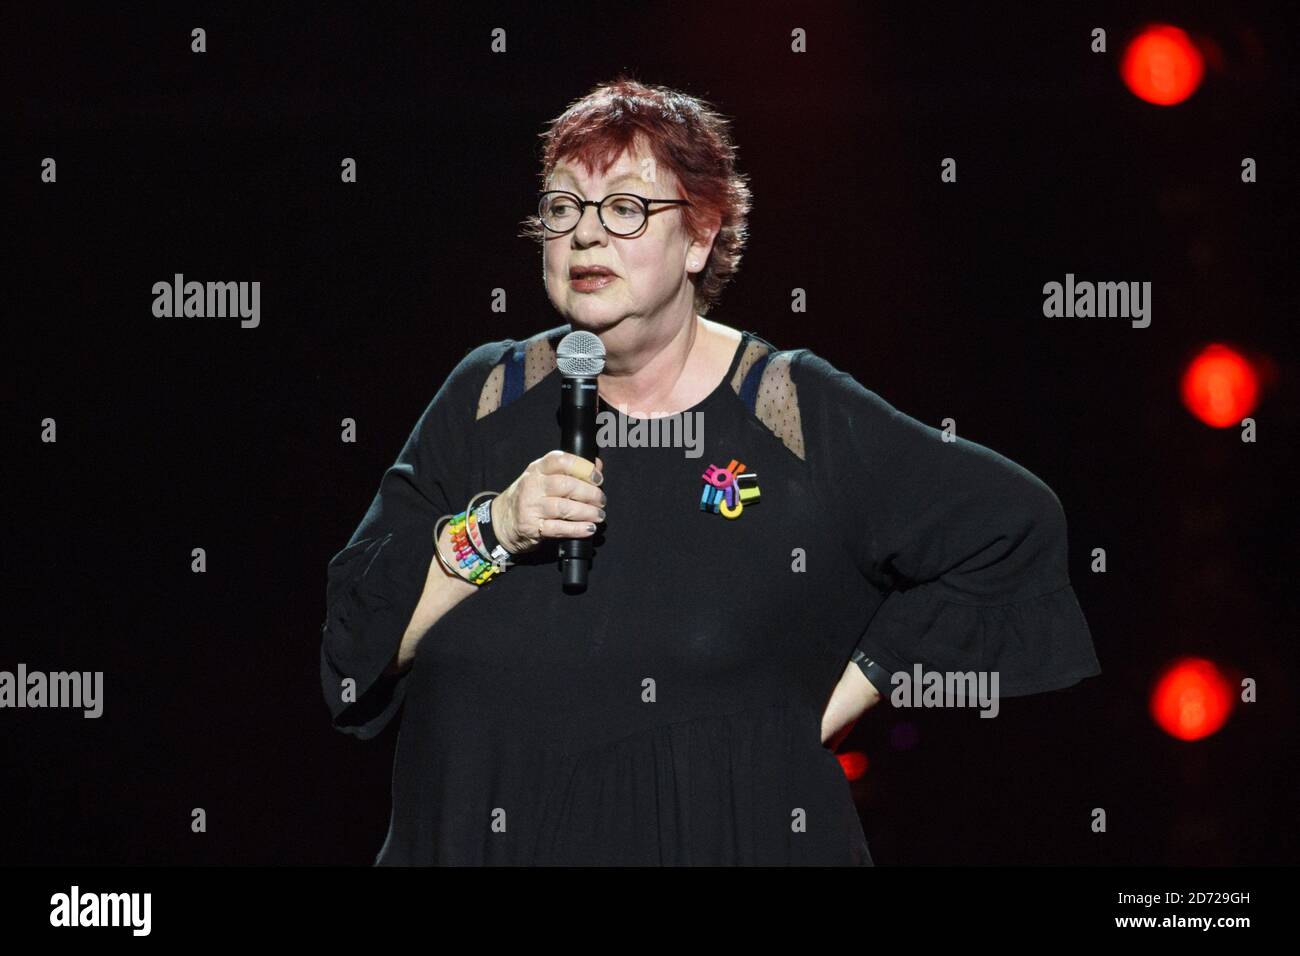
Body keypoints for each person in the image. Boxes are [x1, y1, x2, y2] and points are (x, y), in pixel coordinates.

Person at [319, 77, 1101, 866]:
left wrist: (851, 690)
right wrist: (493, 528)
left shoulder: (789, 408)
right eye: (563, 209)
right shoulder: (488, 393)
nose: (586, 237)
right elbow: (356, 656)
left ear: (699, 236)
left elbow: (1012, 526)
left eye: (625, 209)